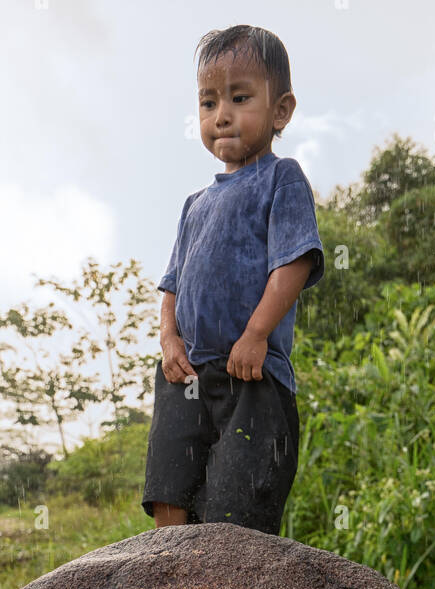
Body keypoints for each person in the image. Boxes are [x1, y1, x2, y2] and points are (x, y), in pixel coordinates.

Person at [142, 24, 324, 535]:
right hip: (188, 376)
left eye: (240, 98)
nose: (221, 115)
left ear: (281, 110)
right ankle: (167, 578)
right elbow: (172, 283)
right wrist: (168, 338)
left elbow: (295, 262)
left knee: (236, 505)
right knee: (170, 486)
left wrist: (256, 334)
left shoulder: (280, 177)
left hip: (252, 374)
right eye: (208, 102)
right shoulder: (193, 205)